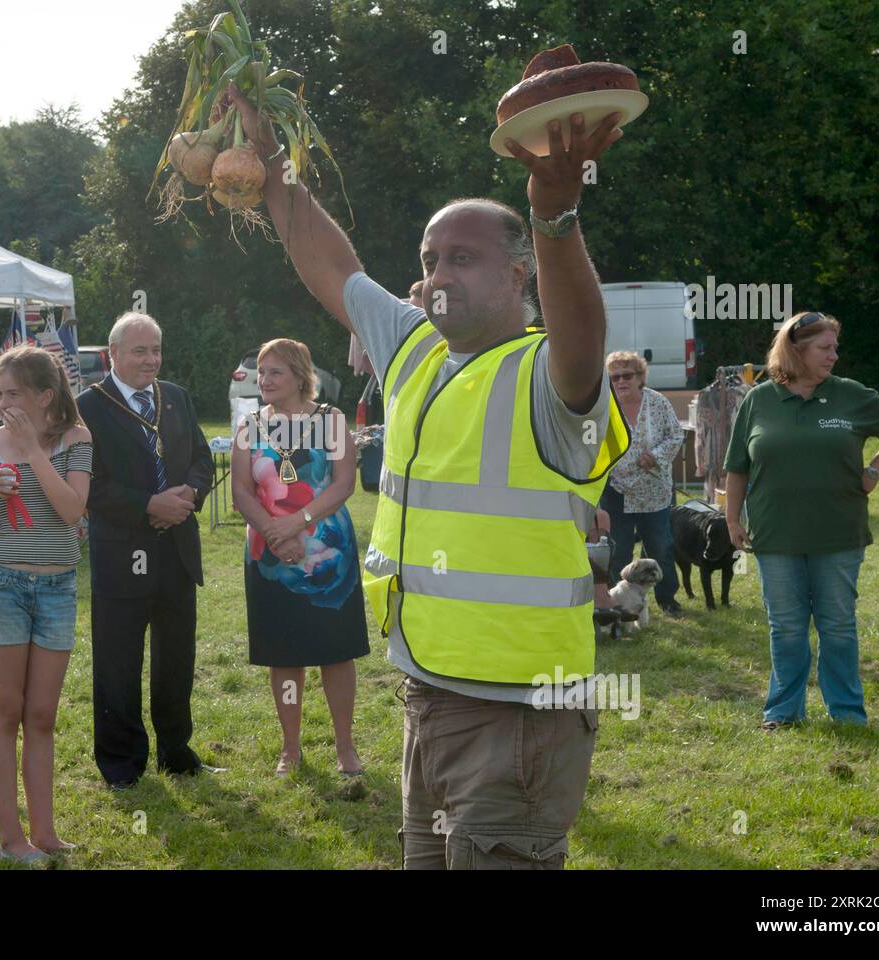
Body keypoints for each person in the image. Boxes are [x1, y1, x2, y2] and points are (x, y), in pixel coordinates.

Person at [226, 84, 629, 869]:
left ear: (519, 277)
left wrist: (554, 216)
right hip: (426, 689)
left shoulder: (548, 378)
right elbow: (326, 262)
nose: (440, 273)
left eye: (464, 259)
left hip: (521, 712)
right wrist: (267, 159)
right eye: (430, 258)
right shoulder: (413, 348)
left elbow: (584, 337)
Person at [725, 311, 879, 730]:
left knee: (838, 627)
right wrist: (732, 519)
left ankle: (847, 713)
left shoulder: (851, 395)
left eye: (834, 347)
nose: (834, 356)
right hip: (776, 535)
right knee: (787, 628)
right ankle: (783, 712)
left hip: (838, 533)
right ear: (796, 350)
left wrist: (874, 473)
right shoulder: (760, 399)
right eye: (824, 348)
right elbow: (737, 467)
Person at [0, 345, 92, 863]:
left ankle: (46, 833)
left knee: (42, 714)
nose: (1, 401)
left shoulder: (75, 439)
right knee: (4, 710)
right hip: (3, 588)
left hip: (57, 590)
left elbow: (73, 509)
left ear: (44, 396)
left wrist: (33, 451)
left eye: (12, 393)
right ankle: (12, 840)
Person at [77, 312, 219, 789]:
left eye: (156, 349)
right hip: (121, 554)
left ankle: (176, 752)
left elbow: (202, 459)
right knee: (118, 660)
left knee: (176, 656)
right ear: (113, 354)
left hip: (176, 549)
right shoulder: (87, 408)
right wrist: (146, 506)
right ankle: (121, 761)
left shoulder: (176, 398)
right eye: (140, 351)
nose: (151, 359)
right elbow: (87, 486)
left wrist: (186, 498)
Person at [232, 338, 369, 777]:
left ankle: (345, 746)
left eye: (275, 372)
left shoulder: (331, 421)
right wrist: (274, 532)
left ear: (299, 375)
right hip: (269, 556)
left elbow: (344, 483)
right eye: (261, 372)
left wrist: (299, 522)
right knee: (284, 652)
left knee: (335, 650)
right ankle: (290, 748)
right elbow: (240, 492)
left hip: (327, 548)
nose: (264, 380)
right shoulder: (249, 425)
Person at [600, 350, 684, 616]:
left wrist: (656, 456)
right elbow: (591, 446)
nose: (621, 381)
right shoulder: (603, 407)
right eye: (614, 378)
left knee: (660, 545)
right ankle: (619, 603)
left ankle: (667, 599)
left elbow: (676, 435)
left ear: (640, 377)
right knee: (619, 548)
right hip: (617, 491)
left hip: (655, 491)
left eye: (627, 375)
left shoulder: (658, 402)